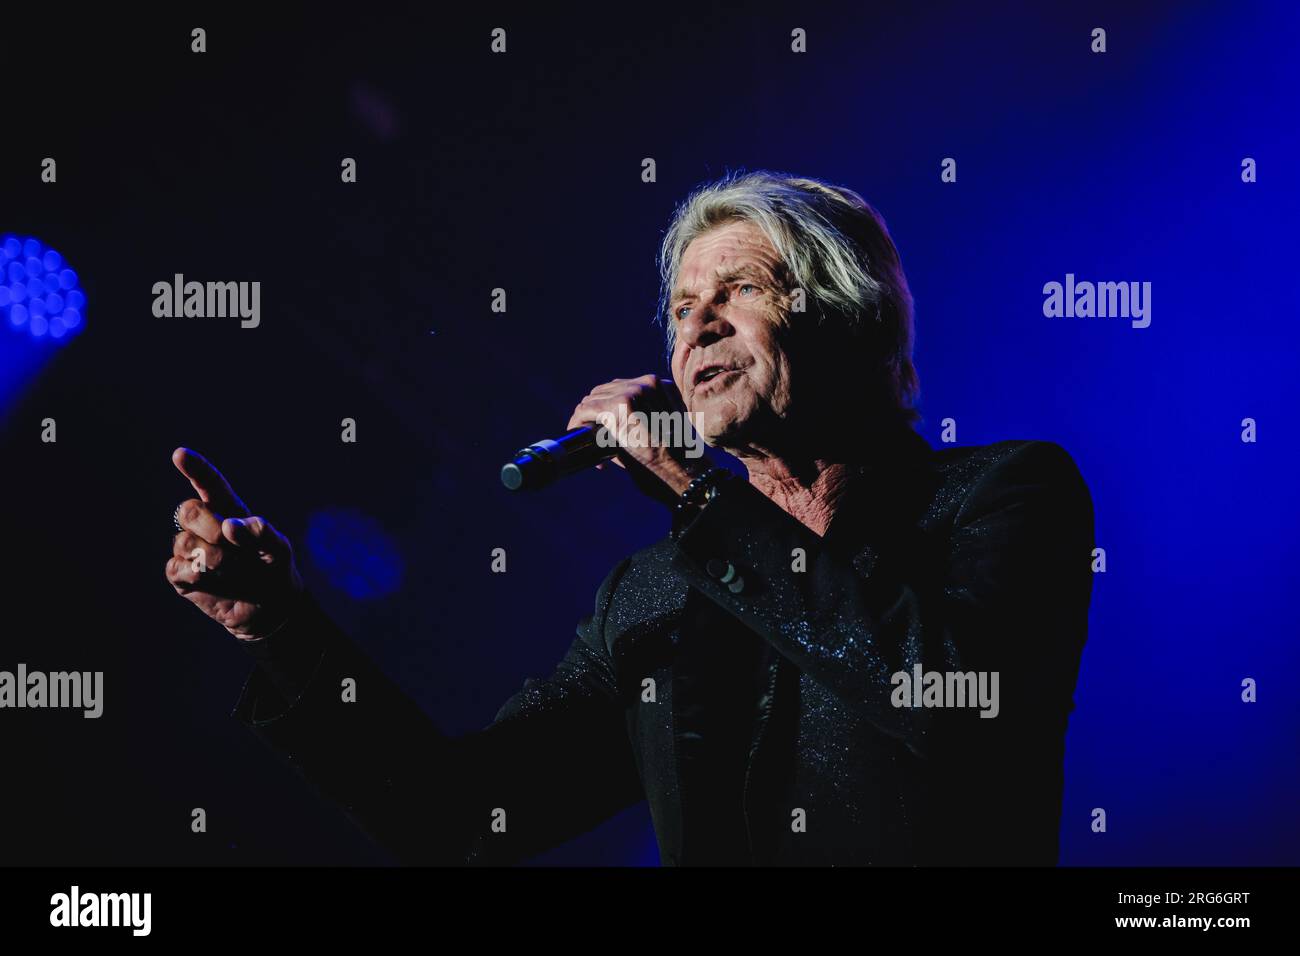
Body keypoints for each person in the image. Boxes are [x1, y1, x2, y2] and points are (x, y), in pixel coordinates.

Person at [166, 171, 1095, 866]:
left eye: (740, 291)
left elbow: (957, 707)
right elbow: (460, 818)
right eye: (683, 308)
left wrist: (697, 495)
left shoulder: (1003, 495)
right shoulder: (656, 594)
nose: (697, 328)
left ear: (850, 317)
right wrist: (285, 630)